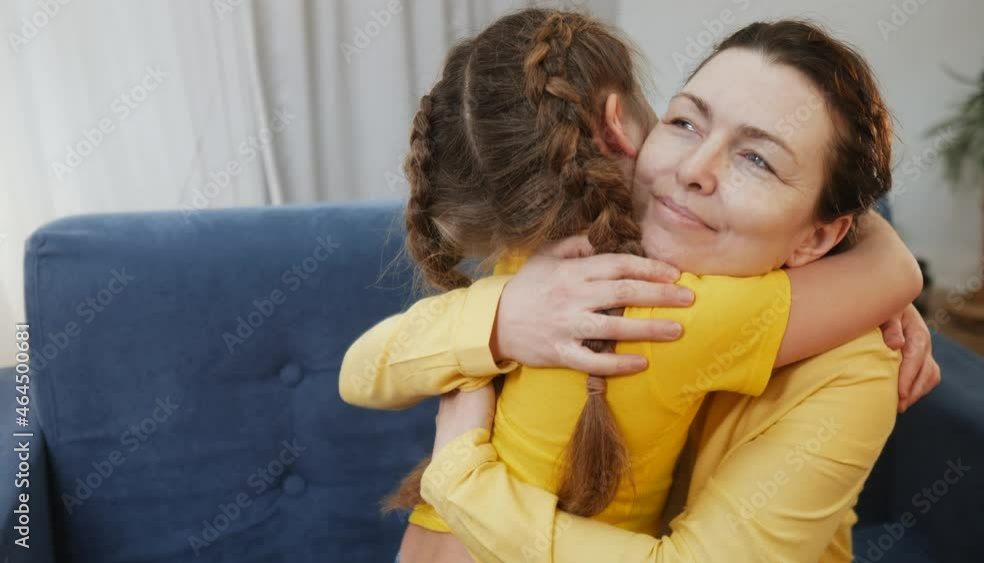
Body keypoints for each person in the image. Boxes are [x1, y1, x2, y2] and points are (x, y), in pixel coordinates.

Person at [368, 19, 944, 563]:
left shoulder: (854, 365)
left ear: (819, 236)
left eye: (756, 159)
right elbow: (369, 364)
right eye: (686, 122)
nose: (694, 167)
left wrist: (464, 484)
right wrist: (502, 317)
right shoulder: (577, 255)